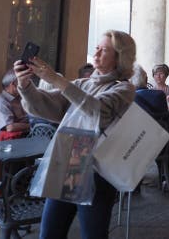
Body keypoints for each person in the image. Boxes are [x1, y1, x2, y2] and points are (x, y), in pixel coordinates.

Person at [14, 30, 136, 239]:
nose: (96, 53)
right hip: (68, 162)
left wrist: (56, 79)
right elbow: (47, 106)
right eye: (96, 48)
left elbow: (98, 112)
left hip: (98, 170)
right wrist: (25, 86)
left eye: (104, 50)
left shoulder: (124, 89)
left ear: (119, 57)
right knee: (50, 233)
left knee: (93, 234)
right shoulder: (82, 84)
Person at [0, 70, 30, 139]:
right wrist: (31, 125)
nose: (25, 85)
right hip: (21, 136)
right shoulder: (0, 102)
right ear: (13, 84)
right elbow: (10, 127)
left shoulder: (19, 97)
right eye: (22, 83)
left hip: (28, 130)